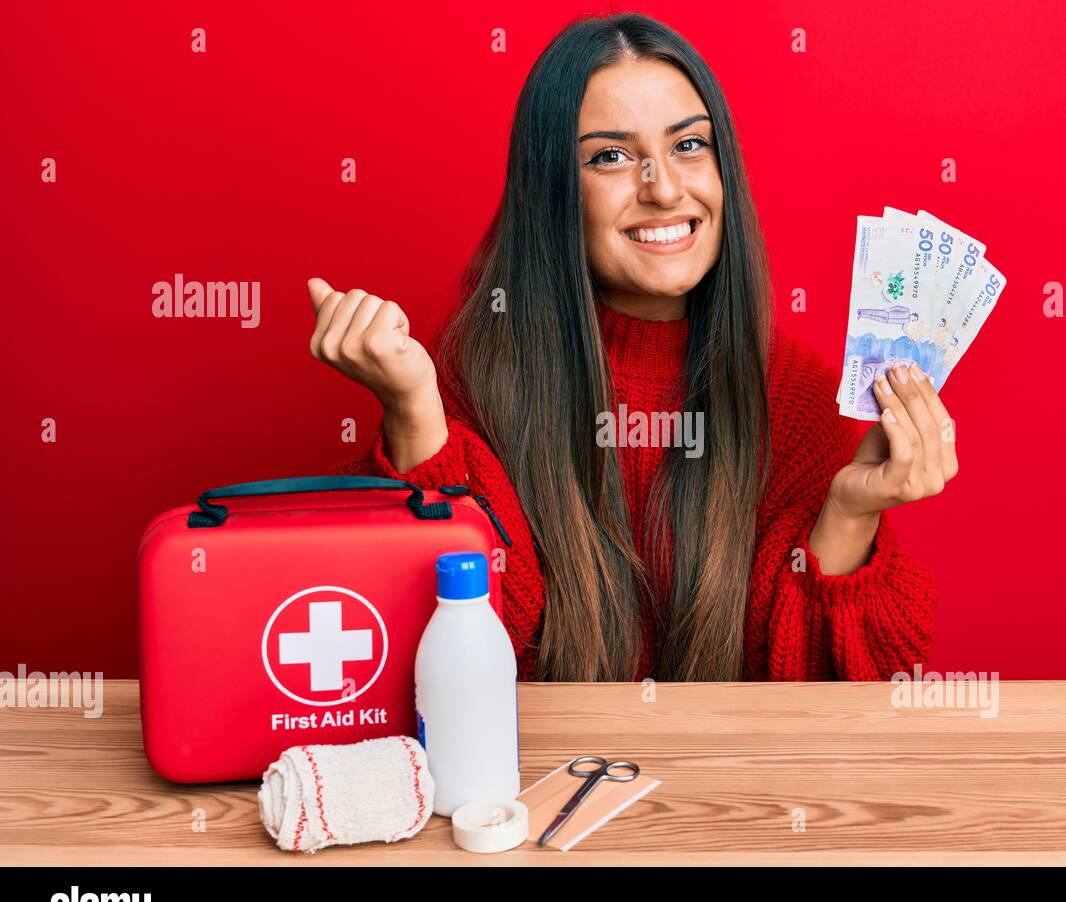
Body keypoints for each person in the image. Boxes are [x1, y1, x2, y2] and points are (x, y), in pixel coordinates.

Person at [311, 13, 956, 682]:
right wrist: (414, 418)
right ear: (553, 193)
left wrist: (851, 514)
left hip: (728, 785)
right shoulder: (472, 381)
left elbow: (830, 698)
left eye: (688, 145)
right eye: (610, 156)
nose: (665, 188)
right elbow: (453, 666)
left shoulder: (793, 398)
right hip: (534, 783)